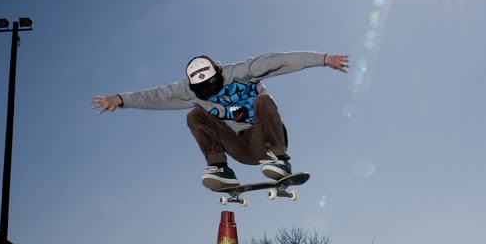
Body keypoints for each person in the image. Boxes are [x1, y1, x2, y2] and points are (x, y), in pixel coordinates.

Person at [92, 51, 349, 190]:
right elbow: (159, 95)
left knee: (262, 101)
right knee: (195, 114)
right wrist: (121, 99)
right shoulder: (189, 90)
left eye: (213, 85)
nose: (211, 92)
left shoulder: (243, 71)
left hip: (265, 138)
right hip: (238, 147)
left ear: (218, 69)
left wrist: (323, 59)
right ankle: (219, 168)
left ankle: (279, 159)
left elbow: (280, 61)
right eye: (204, 90)